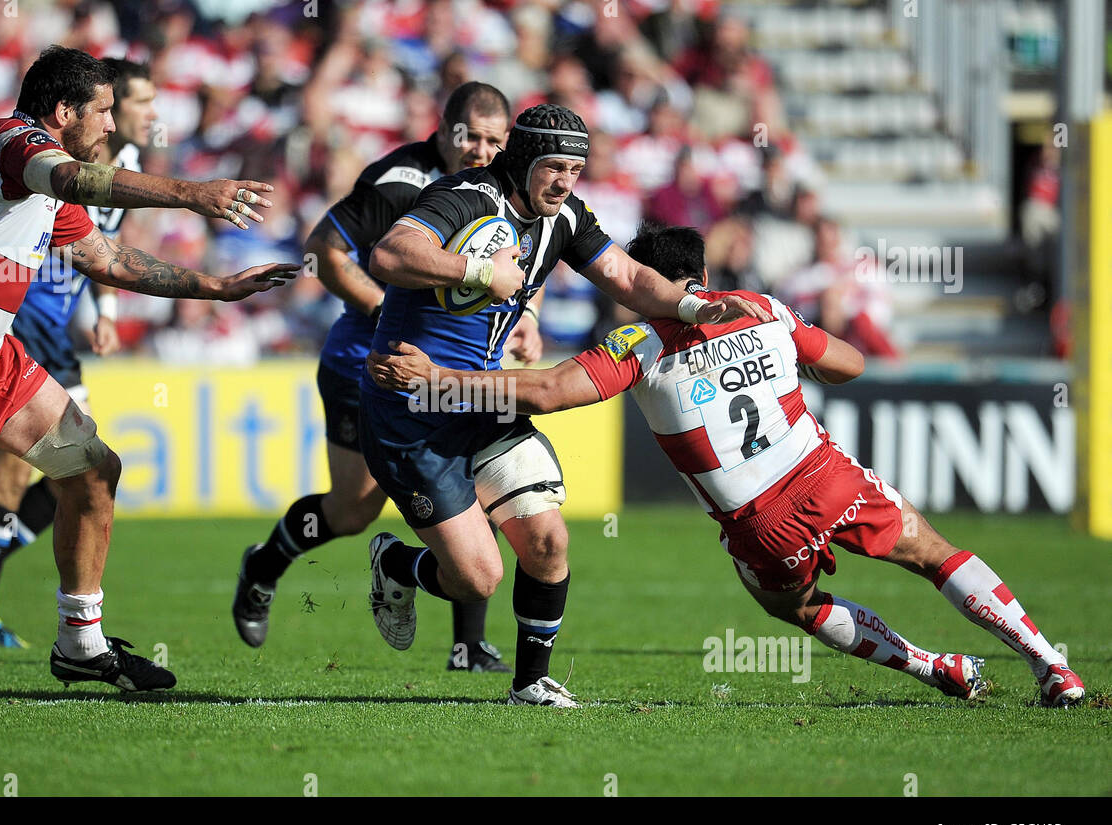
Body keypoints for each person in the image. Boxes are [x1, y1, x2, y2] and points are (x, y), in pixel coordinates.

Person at [368, 222, 1085, 708]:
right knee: (933, 552)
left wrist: (438, 380)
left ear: (641, 282)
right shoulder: (760, 306)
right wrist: (798, 352)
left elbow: (550, 391)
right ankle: (1049, 662)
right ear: (703, 273)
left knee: (793, 607)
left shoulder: (638, 344)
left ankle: (939, 667)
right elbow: (853, 363)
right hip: (824, 477)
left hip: (758, 523)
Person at [0, 46, 299, 700]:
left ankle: (81, 644)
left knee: (94, 468)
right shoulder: (9, 141)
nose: (111, 125)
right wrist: (192, 195)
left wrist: (214, 287)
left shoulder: (50, 180)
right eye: (102, 111)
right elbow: (74, 181)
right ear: (62, 111)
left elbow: (105, 257)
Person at [361, 104, 765, 706]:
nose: (565, 181)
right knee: (478, 579)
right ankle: (397, 566)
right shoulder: (466, 196)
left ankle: (529, 683)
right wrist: (477, 270)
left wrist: (691, 306)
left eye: (576, 168)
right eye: (555, 167)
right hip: (409, 407)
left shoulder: (566, 216)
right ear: (523, 160)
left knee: (548, 540)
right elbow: (389, 256)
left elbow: (627, 278)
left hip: (479, 399)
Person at [233, 82, 527, 672]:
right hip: (366, 362)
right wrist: (381, 313)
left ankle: (469, 646)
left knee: (482, 485)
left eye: (497, 140)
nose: (484, 151)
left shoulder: (504, 188)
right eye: (473, 137)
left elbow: (515, 267)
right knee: (352, 512)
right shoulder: (402, 181)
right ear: (444, 131)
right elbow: (325, 251)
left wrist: (527, 319)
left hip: (450, 371)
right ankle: (263, 566)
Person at [0, 58, 157, 649]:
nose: (146, 115)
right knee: (55, 468)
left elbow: (104, 250)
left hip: (60, 328)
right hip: (22, 320)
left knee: (73, 471)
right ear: (78, 112)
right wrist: (193, 197)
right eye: (131, 104)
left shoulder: (130, 165)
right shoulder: (57, 159)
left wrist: (106, 314)